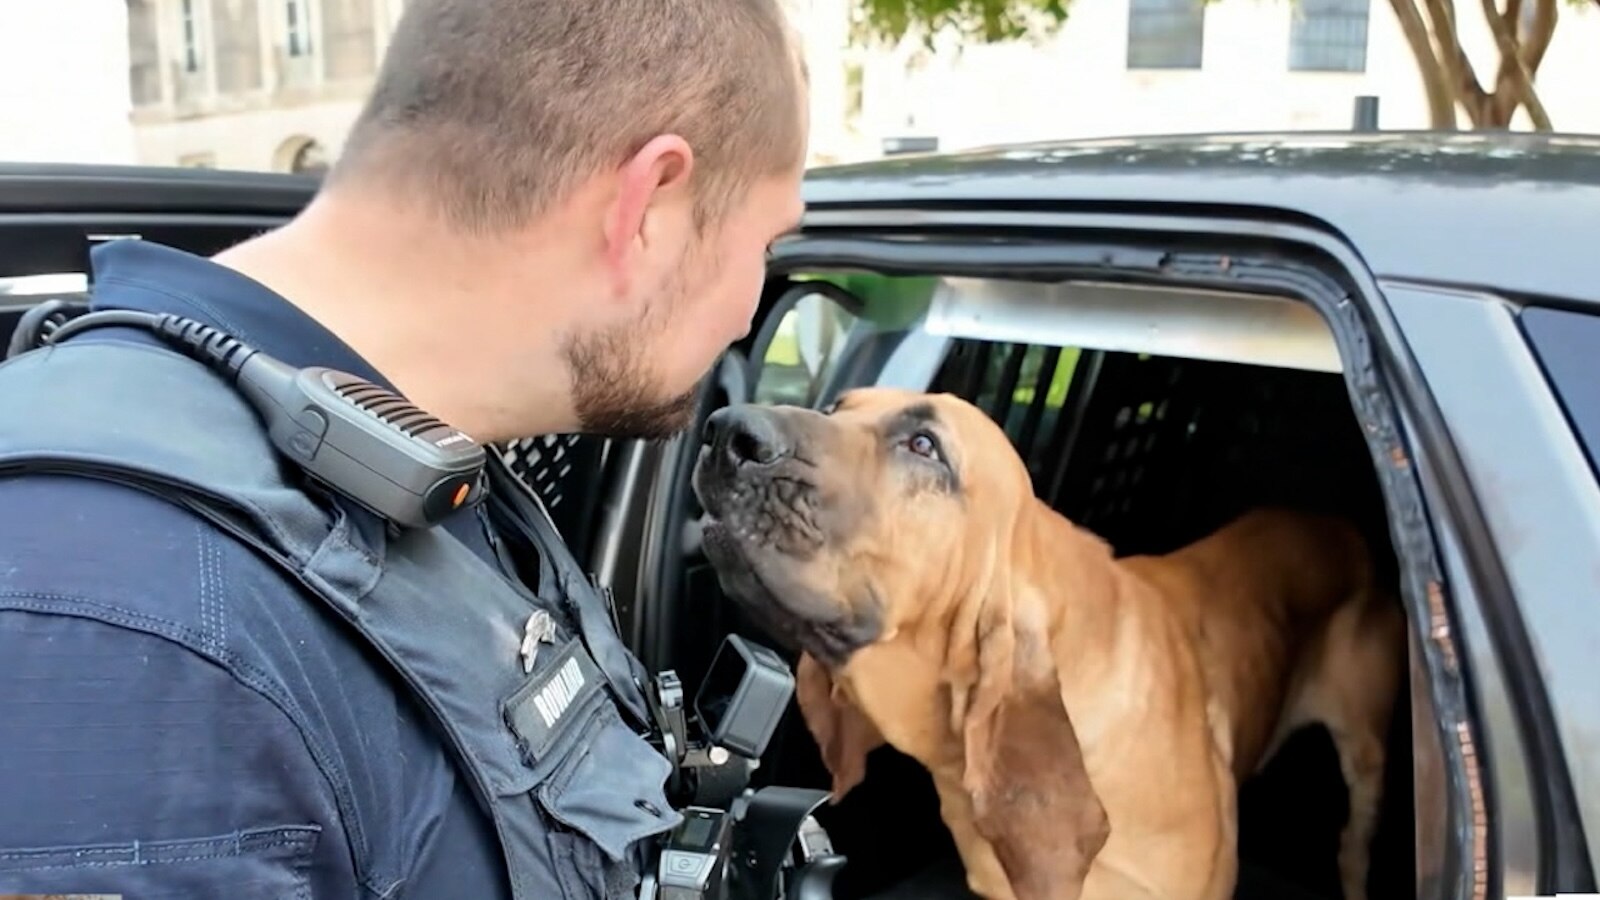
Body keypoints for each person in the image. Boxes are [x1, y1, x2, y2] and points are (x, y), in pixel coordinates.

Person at [0, 0, 807, 896]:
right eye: (766, 243)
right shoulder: (111, 612)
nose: (746, 314)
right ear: (648, 203)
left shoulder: (418, 473)